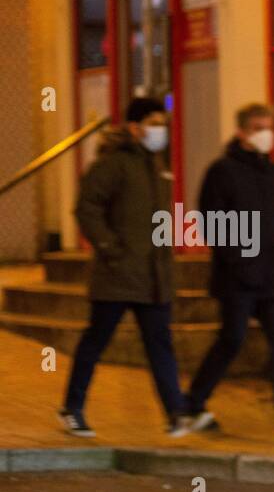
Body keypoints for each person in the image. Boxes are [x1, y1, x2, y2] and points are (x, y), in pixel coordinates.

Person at [183, 103, 274, 441]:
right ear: (242, 131)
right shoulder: (222, 171)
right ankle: (192, 402)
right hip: (239, 278)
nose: (266, 134)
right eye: (259, 127)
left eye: (269, 127)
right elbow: (211, 223)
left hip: (273, 275)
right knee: (231, 340)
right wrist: (239, 260)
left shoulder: (271, 172)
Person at [60, 96, 189, 438]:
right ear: (135, 127)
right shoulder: (113, 164)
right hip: (117, 274)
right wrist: (110, 248)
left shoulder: (157, 164)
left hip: (154, 276)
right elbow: (87, 208)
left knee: (160, 344)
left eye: (162, 123)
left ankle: (175, 412)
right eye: (154, 123)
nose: (160, 130)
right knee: (96, 342)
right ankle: (72, 409)